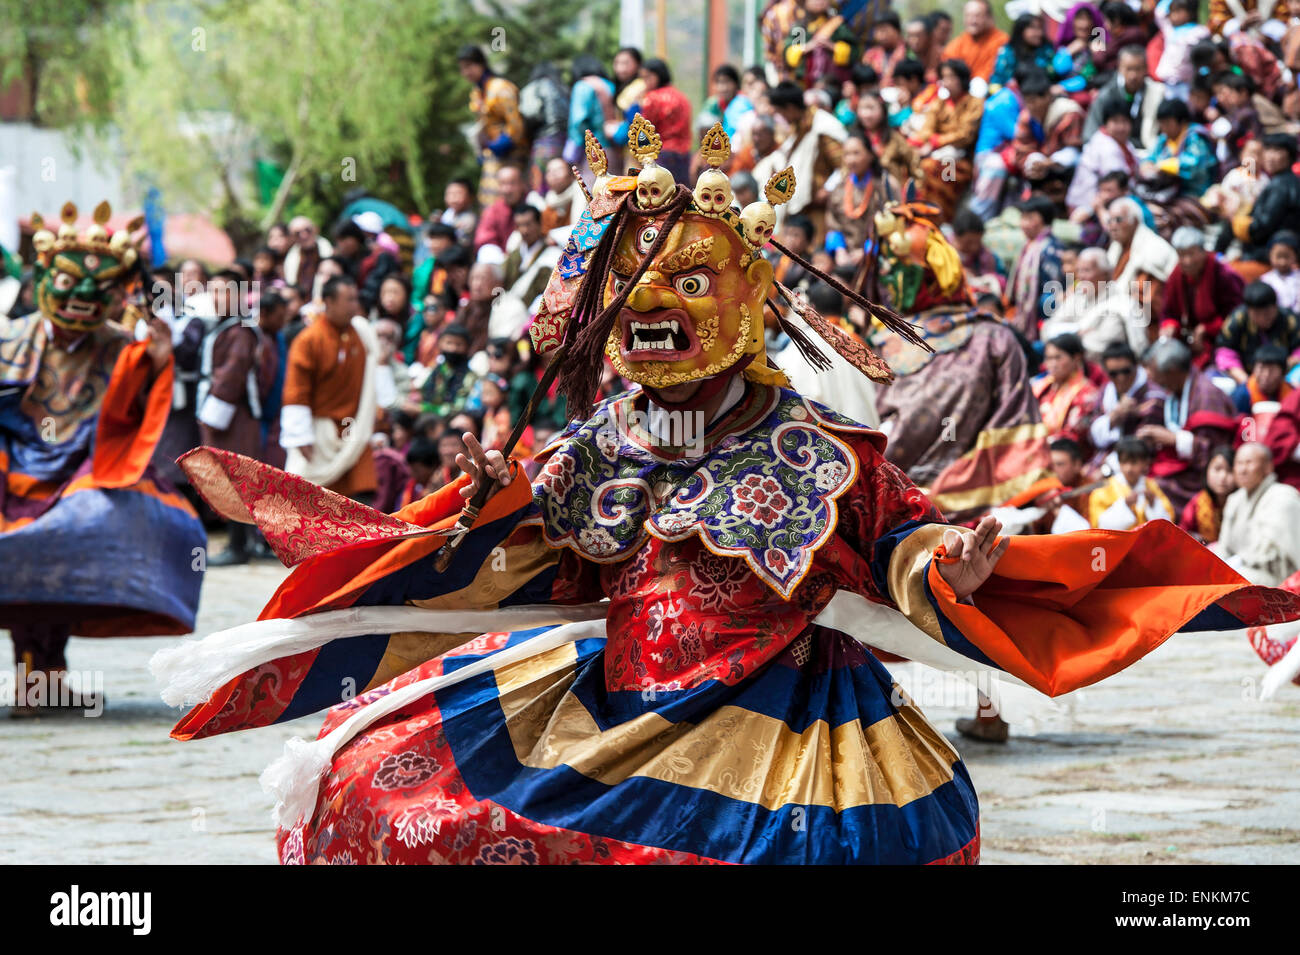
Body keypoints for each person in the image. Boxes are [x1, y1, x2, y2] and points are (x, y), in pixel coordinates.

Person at [163, 117, 1300, 865]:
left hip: (782, 712)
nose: (655, 307)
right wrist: (466, 525)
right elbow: (529, 566)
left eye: (687, 282)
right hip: (609, 694)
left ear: (748, 302)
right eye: (636, 289)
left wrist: (943, 562)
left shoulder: (820, 449)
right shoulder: (602, 440)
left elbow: (897, 539)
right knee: (375, 788)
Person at [1, 203, 204, 712]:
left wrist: (158, 361)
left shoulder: (120, 345)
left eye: (98, 290)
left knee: (85, 534)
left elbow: (135, 413)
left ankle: (45, 675)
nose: (80, 299)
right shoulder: (9, 339)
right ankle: (35, 678)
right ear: (44, 280)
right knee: (28, 549)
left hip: (85, 468)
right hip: (17, 470)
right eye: (67, 284)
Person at [871, 199, 1052, 520]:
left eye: (891, 267)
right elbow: (1017, 436)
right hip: (981, 510)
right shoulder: (996, 336)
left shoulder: (880, 344)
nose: (884, 276)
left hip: (895, 510)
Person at [280, 275, 378, 501]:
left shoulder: (362, 335)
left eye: (356, 299)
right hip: (319, 432)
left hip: (354, 430)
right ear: (329, 302)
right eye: (349, 300)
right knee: (306, 500)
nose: (355, 305)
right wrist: (300, 437)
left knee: (360, 500)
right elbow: (296, 391)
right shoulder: (309, 339)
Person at [197, 271, 272, 566]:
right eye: (213, 292)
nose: (218, 298)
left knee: (237, 481)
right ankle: (239, 543)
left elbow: (232, 374)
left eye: (224, 292)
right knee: (232, 481)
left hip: (233, 416)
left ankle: (238, 546)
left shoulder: (240, 331)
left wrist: (211, 415)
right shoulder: (228, 327)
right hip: (227, 412)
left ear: (239, 296)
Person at [1139, 336, 1239, 511]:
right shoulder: (1176, 390)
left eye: (1153, 371)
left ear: (1172, 371)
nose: (1151, 377)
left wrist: (1174, 439)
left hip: (1205, 475)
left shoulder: (1207, 397)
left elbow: (1214, 453)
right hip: (1182, 465)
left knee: (1155, 489)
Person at [761, 80, 848, 234]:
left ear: (790, 108)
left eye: (780, 113)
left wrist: (826, 190)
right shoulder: (797, 125)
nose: (781, 118)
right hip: (797, 210)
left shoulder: (824, 127)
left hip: (818, 211)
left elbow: (844, 165)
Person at [1159, 225, 1246, 368]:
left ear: (1203, 251)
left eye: (1191, 254)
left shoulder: (1223, 274)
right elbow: (1169, 312)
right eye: (1181, 255)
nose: (1186, 261)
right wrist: (1169, 326)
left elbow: (1236, 314)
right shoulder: (1177, 274)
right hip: (1191, 337)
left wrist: (1206, 329)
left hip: (1223, 338)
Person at [1216, 442, 1300, 586]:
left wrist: (1237, 562)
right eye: (1239, 463)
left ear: (1268, 467)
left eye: (1249, 463)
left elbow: (1278, 561)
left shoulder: (1283, 496)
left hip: (1277, 579)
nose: (1242, 469)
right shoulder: (1234, 500)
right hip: (1239, 571)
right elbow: (1223, 549)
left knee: (1228, 583)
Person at [1042, 248, 1150, 357]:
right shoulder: (1077, 297)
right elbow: (1048, 329)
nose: (1081, 276)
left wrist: (1071, 338)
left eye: (1087, 270)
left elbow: (1102, 345)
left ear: (1105, 274)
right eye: (1079, 271)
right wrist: (1078, 333)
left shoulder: (1121, 303)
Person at [456, 44, 527, 207]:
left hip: (512, 151)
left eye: (469, 67)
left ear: (481, 64)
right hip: (493, 152)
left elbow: (516, 125)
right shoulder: (478, 92)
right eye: (462, 69)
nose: (466, 73)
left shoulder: (500, 87)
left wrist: (503, 143)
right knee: (488, 200)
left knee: (507, 197)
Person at [824, 134, 898, 285]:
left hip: (880, 257)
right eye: (847, 154)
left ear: (871, 155)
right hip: (846, 260)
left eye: (856, 153)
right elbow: (833, 224)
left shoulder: (886, 186)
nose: (851, 159)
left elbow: (896, 224)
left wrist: (868, 250)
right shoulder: (840, 188)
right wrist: (840, 250)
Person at [915, 59, 983, 222]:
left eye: (951, 77)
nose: (947, 82)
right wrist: (931, 139)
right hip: (936, 155)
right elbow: (926, 129)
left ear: (962, 79)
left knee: (946, 177)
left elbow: (965, 135)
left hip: (960, 159)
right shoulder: (939, 103)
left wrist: (938, 140)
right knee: (922, 169)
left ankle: (944, 220)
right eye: (944, 77)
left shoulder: (974, 103)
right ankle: (925, 218)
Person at [1105, 196, 1178, 327]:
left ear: (1135, 221)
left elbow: (1149, 300)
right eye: (1109, 221)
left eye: (1119, 220)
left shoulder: (1153, 250)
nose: (1113, 226)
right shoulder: (1117, 247)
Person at [1088, 342, 1166, 457]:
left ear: (1136, 366)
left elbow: (1143, 446)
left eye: (1126, 371)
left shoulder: (1154, 396)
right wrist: (1114, 416)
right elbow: (1091, 436)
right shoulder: (1105, 390)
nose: (1121, 378)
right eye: (1113, 373)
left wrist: (1135, 413)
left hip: (1133, 463)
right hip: (1102, 457)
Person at [1082, 45, 1167, 149]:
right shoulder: (1107, 95)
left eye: (1138, 69)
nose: (1133, 75)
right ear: (1119, 68)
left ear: (1146, 69)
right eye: (1129, 69)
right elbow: (1090, 135)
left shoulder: (1157, 93)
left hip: (1147, 151)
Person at [1007, 194, 1066, 341]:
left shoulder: (1051, 249)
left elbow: (1054, 287)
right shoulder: (1027, 247)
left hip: (1044, 311)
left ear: (1044, 220)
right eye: (1023, 218)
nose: (1023, 224)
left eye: (1029, 218)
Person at [1067, 103, 1142, 216]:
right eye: (1116, 122)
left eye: (1125, 122)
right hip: (1087, 206)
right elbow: (1117, 185)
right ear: (1106, 124)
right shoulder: (1106, 146)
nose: (1121, 127)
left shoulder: (1124, 143)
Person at [1088, 436, 1176, 529]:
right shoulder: (1103, 490)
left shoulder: (1152, 487)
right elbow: (1099, 527)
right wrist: (1125, 505)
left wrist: (1153, 503)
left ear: (1145, 463)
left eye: (1133, 462)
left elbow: (1168, 524)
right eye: (1124, 462)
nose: (1128, 468)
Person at [1033, 332, 1101, 444]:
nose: (1052, 364)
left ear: (1076, 358)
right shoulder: (1041, 386)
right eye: (1049, 358)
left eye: (1058, 358)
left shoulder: (1087, 394)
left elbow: (1074, 435)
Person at [635, 59, 693, 184]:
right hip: (684, 153)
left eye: (647, 77)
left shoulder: (652, 98)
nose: (645, 82)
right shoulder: (681, 97)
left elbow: (644, 129)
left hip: (662, 153)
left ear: (658, 75)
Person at [565, 55, 618, 184]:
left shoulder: (582, 86)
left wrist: (575, 150)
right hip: (613, 148)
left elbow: (578, 121)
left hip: (592, 153)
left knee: (590, 195)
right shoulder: (610, 85)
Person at [782, 0, 858, 90]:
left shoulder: (838, 25)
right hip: (804, 84)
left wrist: (832, 46)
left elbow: (854, 52)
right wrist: (808, 47)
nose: (819, 1)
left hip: (833, 84)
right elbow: (789, 54)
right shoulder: (800, 28)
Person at [518, 62, 570, 190]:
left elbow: (528, 115)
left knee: (541, 184)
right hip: (565, 142)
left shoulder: (533, 88)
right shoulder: (562, 88)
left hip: (544, 142)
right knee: (563, 183)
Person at [1246, 134, 1300, 256]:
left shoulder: (1280, 185)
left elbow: (1262, 227)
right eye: (1267, 150)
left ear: (1290, 156)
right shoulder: (1287, 180)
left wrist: (1236, 220)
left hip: (1272, 255)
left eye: (1277, 150)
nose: (1270, 156)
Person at [852, 90, 920, 187]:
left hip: (893, 195)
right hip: (859, 195)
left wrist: (914, 189)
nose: (866, 114)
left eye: (871, 108)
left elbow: (913, 163)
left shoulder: (894, 138)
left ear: (883, 110)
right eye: (862, 108)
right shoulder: (854, 139)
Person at [942, 0, 1010, 84]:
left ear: (989, 18)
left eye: (977, 16)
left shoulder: (1002, 41)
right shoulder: (956, 44)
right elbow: (946, 67)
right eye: (968, 16)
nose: (973, 21)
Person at [420, 323, 480, 417]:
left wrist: (423, 408)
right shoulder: (437, 369)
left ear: (467, 347)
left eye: (458, 344)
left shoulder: (469, 376)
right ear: (440, 343)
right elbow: (424, 394)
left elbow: (458, 409)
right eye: (449, 343)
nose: (453, 349)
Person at [473, 162, 529, 258]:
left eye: (512, 183)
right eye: (503, 184)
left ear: (522, 184)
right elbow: (483, 240)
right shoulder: (493, 210)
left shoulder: (532, 202)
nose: (507, 190)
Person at [1179, 445, 1235, 542]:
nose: (1223, 477)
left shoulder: (1243, 502)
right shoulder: (1197, 504)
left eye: (1230, 471)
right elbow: (1182, 534)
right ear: (1206, 471)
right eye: (1217, 469)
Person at [1230, 343, 1292, 413]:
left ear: (1283, 372)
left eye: (1272, 370)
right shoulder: (1242, 394)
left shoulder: (1292, 393)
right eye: (1261, 368)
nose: (1266, 375)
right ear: (1253, 369)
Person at [282, 216, 333, 300]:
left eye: (307, 230)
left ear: (315, 229)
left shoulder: (328, 251)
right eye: (297, 233)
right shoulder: (289, 258)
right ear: (292, 237)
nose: (303, 235)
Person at [1261, 231, 1300, 310]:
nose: (1283, 262)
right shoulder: (1265, 280)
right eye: (1278, 256)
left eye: (1287, 256)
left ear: (1295, 256)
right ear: (1270, 255)